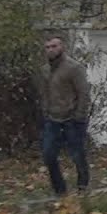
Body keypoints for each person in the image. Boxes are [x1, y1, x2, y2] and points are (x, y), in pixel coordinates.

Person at [38, 35, 91, 196]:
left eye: (54, 46)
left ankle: (83, 186)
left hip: (72, 119)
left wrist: (79, 115)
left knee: (77, 154)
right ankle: (60, 190)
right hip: (52, 119)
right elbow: (45, 93)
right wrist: (46, 111)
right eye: (47, 47)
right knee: (48, 155)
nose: (50, 50)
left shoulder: (74, 68)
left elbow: (84, 93)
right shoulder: (45, 70)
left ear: (62, 47)